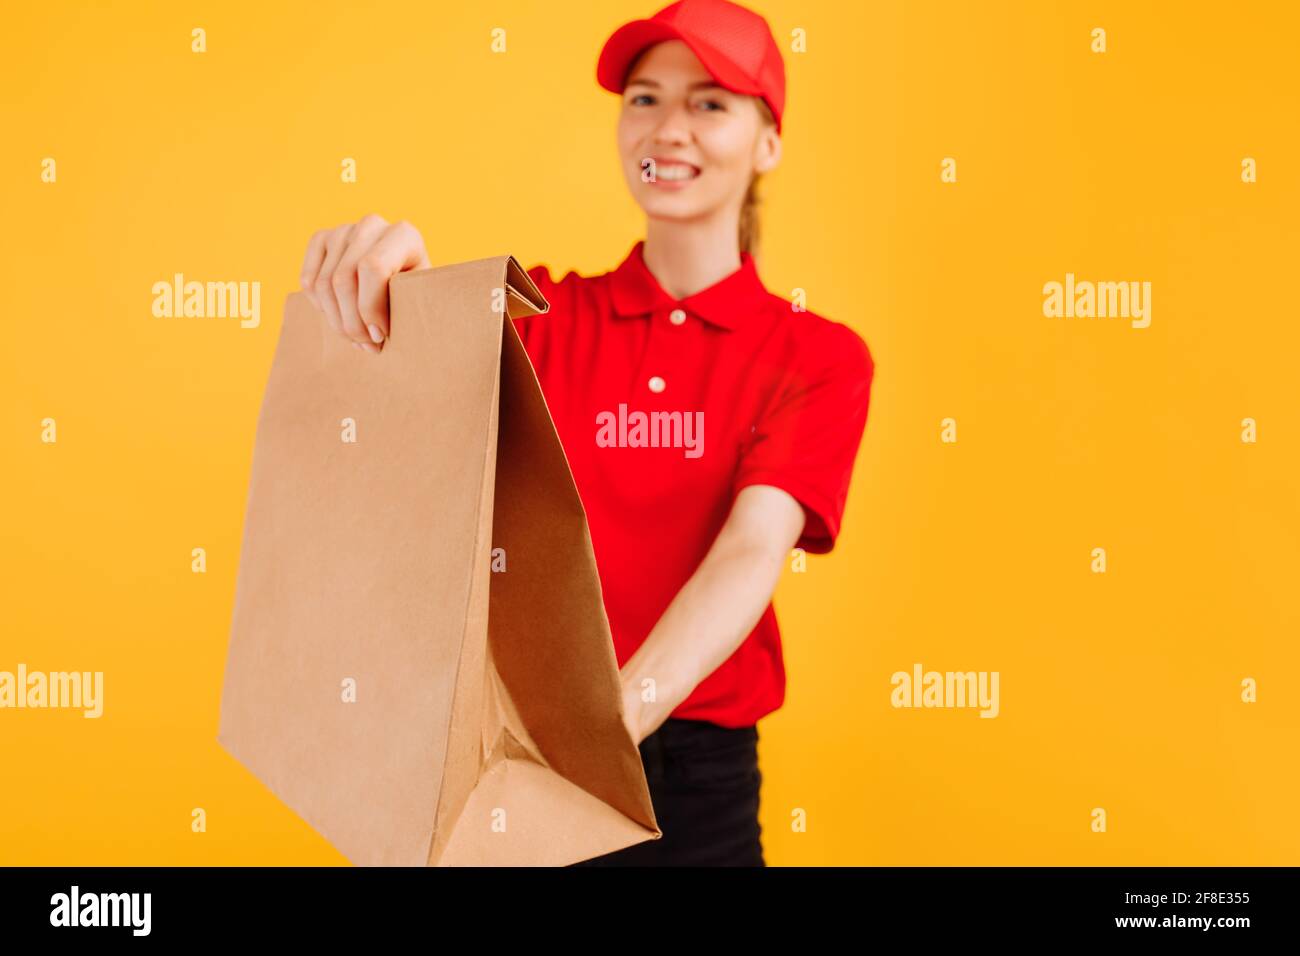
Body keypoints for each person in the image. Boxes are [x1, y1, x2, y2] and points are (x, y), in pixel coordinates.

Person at [296, 0, 874, 866]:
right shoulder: (544, 320)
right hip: (523, 758)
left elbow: (752, 549)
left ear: (768, 143)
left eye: (710, 101)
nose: (669, 126)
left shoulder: (815, 356)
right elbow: (398, 411)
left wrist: (607, 729)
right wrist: (390, 285)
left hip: (692, 779)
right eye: (644, 98)